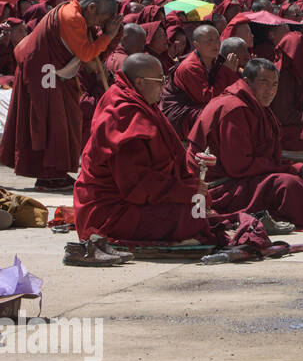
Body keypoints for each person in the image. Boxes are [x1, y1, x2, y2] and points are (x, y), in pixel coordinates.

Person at [72, 53, 211, 246]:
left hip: (133, 199)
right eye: (160, 80)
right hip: (109, 213)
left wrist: (189, 185)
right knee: (193, 218)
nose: (164, 87)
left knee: (198, 209)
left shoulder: (139, 101)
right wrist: (185, 190)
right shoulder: (123, 114)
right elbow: (137, 184)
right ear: (139, 83)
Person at [1, 0, 122, 190]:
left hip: (54, 71)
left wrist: (109, 36)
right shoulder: (71, 17)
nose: (100, 24)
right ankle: (49, 175)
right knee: (51, 120)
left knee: (67, 117)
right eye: (101, 18)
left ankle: (55, 172)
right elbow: (85, 54)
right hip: (41, 70)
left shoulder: (79, 17)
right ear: (91, 7)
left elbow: (93, 61)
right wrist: (108, 36)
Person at [188, 58, 303, 229]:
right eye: (264, 83)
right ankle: (269, 215)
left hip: (241, 177)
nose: (270, 90)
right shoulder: (234, 109)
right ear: (247, 81)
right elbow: (238, 166)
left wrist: (292, 168)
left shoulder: (254, 104)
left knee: (301, 179)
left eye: (275, 85)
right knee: (288, 185)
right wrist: (286, 168)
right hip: (217, 186)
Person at [159, 24, 240, 136]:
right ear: (196, 44)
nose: (215, 44)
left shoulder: (216, 60)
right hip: (181, 114)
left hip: (199, 106)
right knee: (222, 112)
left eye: (217, 39)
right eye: (209, 40)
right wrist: (227, 71)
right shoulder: (189, 67)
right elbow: (207, 97)